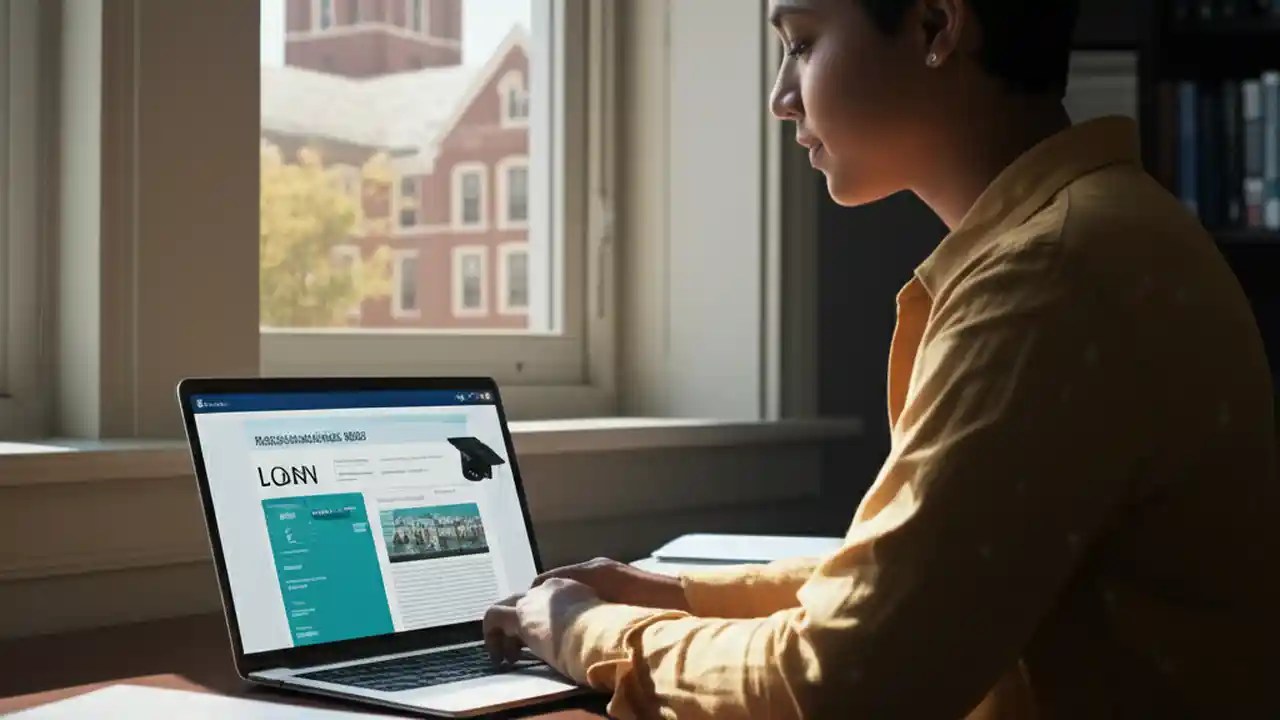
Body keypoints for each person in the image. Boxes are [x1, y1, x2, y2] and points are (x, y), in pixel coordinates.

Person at [483, 0, 1280, 717]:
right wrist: (676, 592)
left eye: (801, 43)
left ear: (936, 27)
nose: (778, 97)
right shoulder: (1094, 234)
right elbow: (924, 582)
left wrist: (592, 631)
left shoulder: (1050, 275)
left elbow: (843, 681)